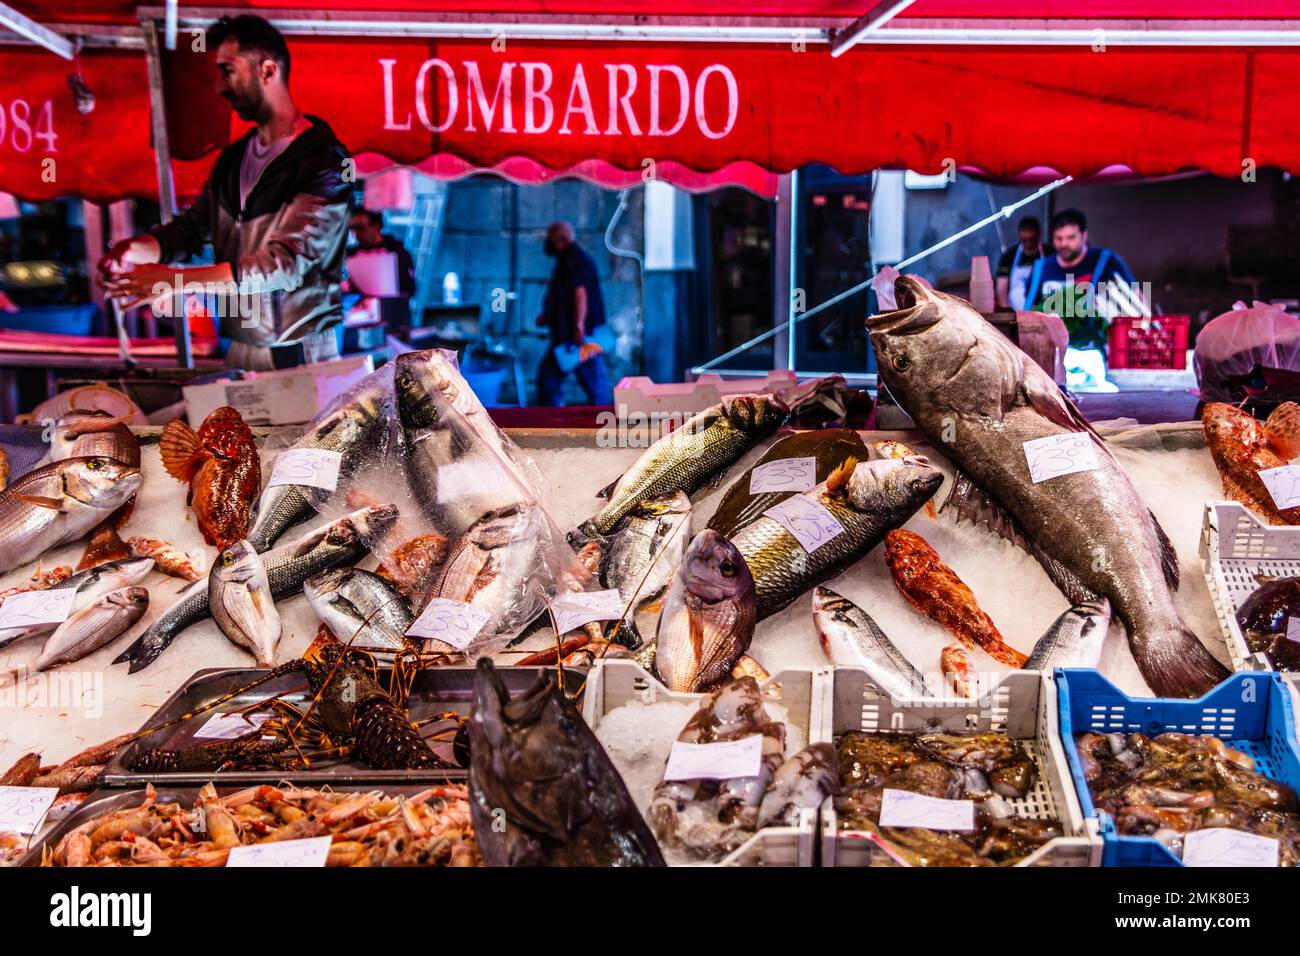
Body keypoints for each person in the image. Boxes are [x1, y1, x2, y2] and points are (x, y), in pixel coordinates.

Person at [99, 15, 353, 370]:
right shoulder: (234, 159)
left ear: (267, 71)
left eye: (228, 71)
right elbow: (190, 230)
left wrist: (177, 281)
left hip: (300, 348)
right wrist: (133, 251)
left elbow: (286, 265)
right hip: (240, 346)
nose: (219, 86)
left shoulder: (324, 159)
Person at [1024, 208, 1138, 348]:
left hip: (1096, 350)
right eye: (1058, 238)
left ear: (1084, 236)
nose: (1064, 243)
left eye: (1071, 237)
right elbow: (1029, 310)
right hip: (1050, 349)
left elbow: (1136, 297)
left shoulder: (1106, 261)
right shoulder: (1040, 268)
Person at [534, 221, 613, 406]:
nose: (547, 242)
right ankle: (551, 423)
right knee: (549, 383)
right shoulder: (570, 260)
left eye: (549, 238)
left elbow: (580, 292)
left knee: (594, 388)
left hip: (576, 339)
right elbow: (566, 296)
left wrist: (579, 326)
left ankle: (602, 426)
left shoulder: (572, 258)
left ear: (560, 239)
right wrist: (548, 315)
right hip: (568, 339)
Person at [348, 208, 417, 326]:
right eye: (353, 229)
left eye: (361, 228)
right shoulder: (350, 255)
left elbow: (409, 288)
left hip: (394, 319)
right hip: (360, 318)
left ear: (377, 226)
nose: (357, 234)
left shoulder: (397, 253)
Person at [995, 216, 1045, 310]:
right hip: (1014, 311)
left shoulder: (1050, 253)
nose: (1028, 242)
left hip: (1044, 309)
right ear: (1019, 235)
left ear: (1039, 235)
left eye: (1032, 239)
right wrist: (1006, 308)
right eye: (1024, 240)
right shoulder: (1009, 256)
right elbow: (1001, 287)